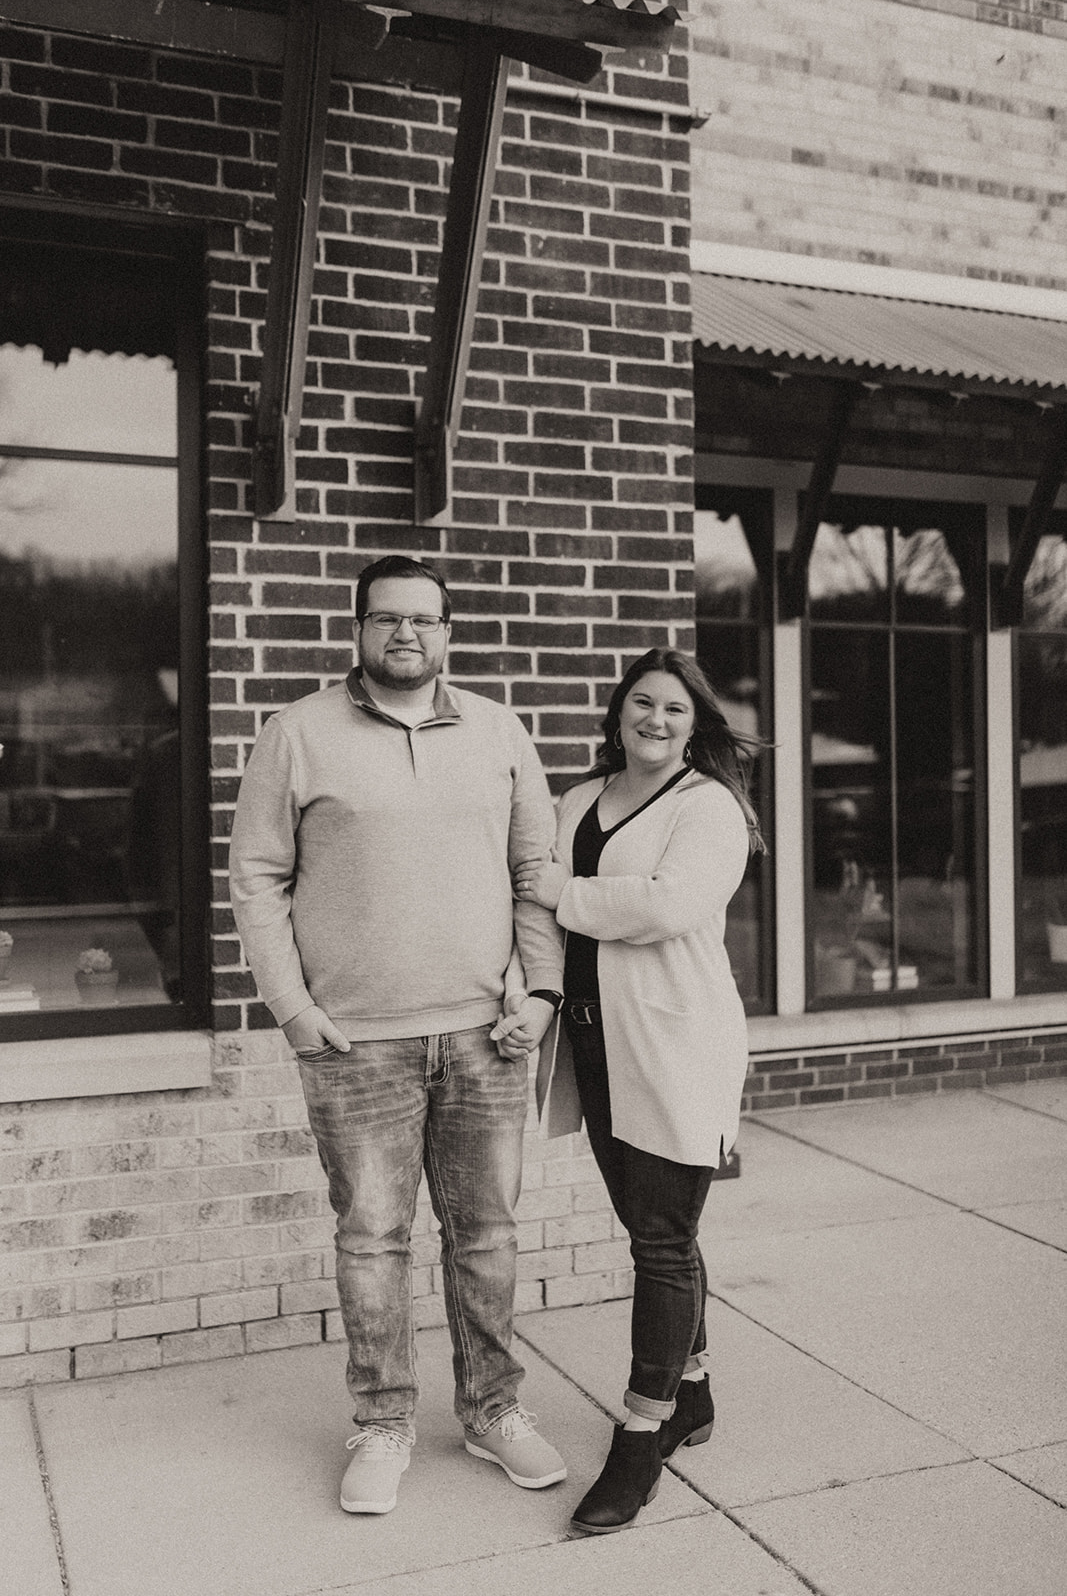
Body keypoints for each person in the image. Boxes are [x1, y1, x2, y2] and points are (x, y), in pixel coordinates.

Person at [229, 555, 566, 1516]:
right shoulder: (296, 733)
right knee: (372, 1239)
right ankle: (382, 1424)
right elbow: (256, 878)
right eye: (386, 620)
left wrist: (539, 993)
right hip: (355, 1043)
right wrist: (294, 1009)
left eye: (423, 620)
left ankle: (494, 1410)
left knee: (487, 1237)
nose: (405, 635)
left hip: (486, 1036)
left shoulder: (500, 731)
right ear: (358, 631)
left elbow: (533, 869)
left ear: (448, 632)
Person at [513, 647, 764, 1535]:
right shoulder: (577, 799)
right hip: (595, 1046)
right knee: (655, 1230)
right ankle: (689, 1392)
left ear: (695, 726)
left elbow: (662, 907)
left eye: (673, 710)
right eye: (641, 704)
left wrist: (559, 889)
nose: (654, 720)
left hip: (674, 1043)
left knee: (660, 1242)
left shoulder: (711, 811)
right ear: (617, 712)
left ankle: (640, 1432)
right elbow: (533, 909)